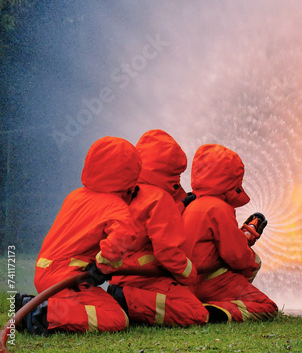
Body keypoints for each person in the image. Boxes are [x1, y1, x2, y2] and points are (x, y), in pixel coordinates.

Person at [30, 137, 142, 334]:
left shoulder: (75, 196)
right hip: (67, 279)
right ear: (129, 177)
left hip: (43, 272)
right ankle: (42, 316)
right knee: (116, 318)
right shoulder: (116, 206)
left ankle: (43, 306)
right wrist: (102, 267)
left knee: (99, 304)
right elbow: (124, 237)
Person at [106, 129, 208, 326]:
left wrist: (180, 205)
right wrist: (190, 274)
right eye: (176, 174)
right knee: (196, 313)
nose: (178, 181)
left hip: (120, 276)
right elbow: (166, 250)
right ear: (165, 172)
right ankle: (126, 302)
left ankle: (124, 299)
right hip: (144, 280)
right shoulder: (158, 198)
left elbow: (147, 223)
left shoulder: (126, 192)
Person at [184, 144, 277, 323]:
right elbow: (237, 257)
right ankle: (215, 312)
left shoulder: (190, 205)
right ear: (230, 179)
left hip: (189, 283)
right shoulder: (219, 208)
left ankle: (209, 305)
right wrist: (248, 247)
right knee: (266, 307)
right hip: (213, 281)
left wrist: (243, 237)